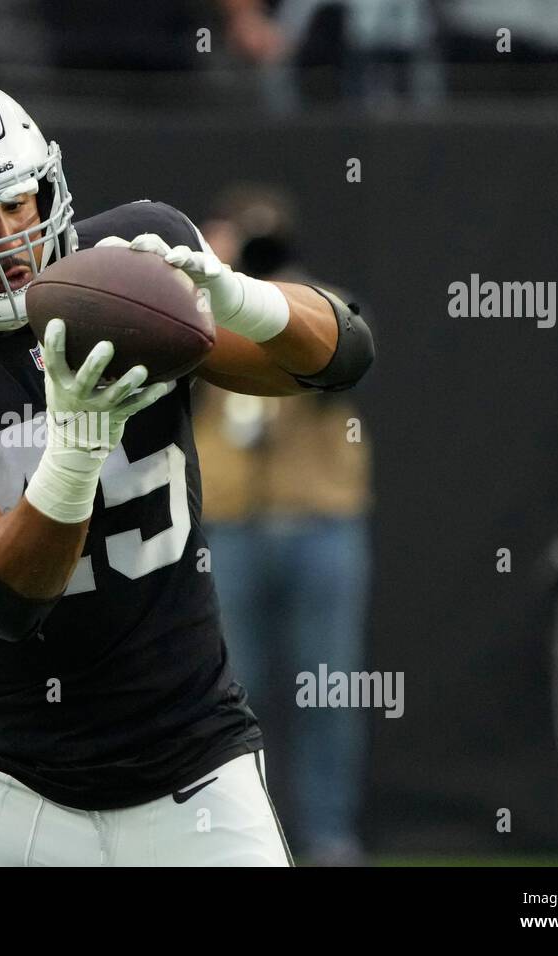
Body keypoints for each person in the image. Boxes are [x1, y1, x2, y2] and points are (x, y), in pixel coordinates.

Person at [0, 71, 374, 866]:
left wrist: (236, 298)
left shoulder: (122, 268)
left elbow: (340, 358)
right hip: (4, 779)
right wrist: (77, 450)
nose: (10, 240)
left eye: (19, 203)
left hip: (194, 774)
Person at [192, 185, 372, 865]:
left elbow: (351, 361)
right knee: (230, 692)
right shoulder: (195, 304)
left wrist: (266, 297)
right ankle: (242, 838)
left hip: (319, 523)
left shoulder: (322, 304)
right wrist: (204, 280)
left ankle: (328, 835)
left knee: (328, 685)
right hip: (232, 528)